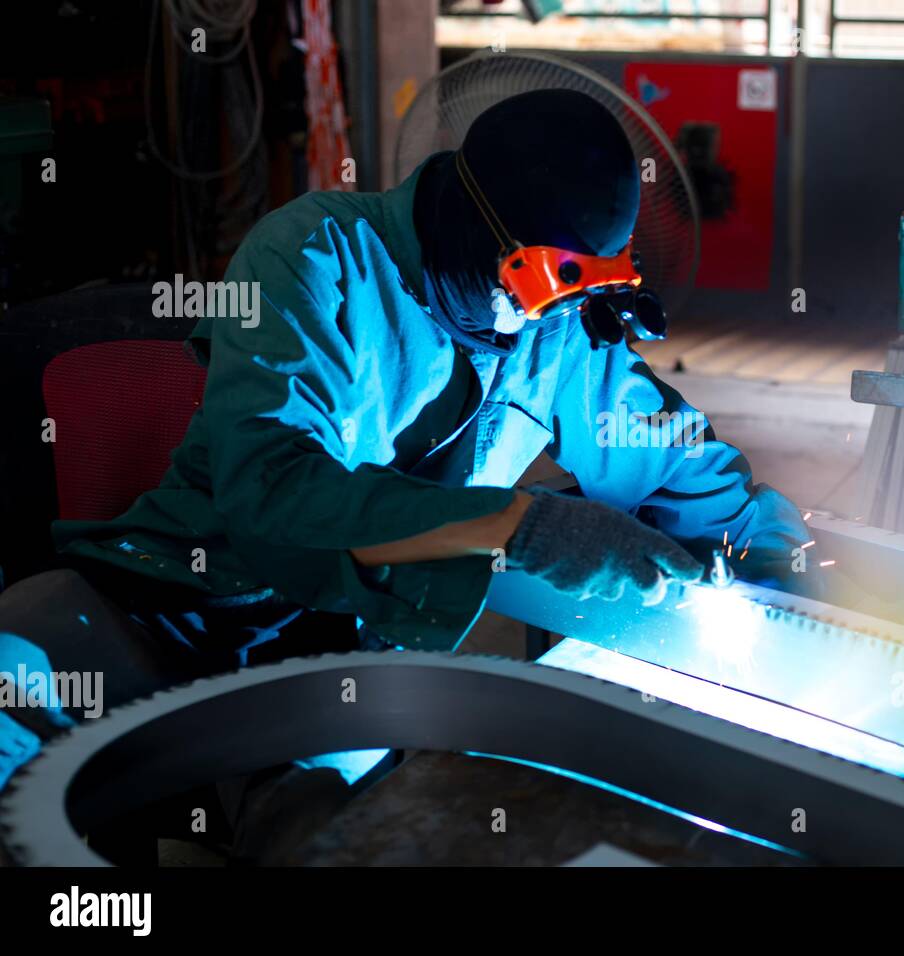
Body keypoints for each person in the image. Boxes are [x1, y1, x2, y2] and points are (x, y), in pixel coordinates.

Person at [0, 90, 815, 808]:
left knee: (331, 823)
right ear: (472, 222)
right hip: (179, 601)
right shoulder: (315, 257)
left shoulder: (557, 330)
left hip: (348, 644)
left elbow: (668, 451)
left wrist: (773, 551)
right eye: (536, 288)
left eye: (575, 295)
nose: (542, 322)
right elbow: (275, 497)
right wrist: (516, 524)